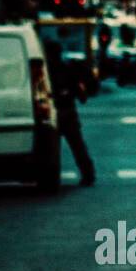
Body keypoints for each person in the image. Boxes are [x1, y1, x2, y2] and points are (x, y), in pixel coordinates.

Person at [44, 41, 95, 186]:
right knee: (77, 146)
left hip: (53, 112)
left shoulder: (46, 71)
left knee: (53, 148)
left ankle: (52, 177)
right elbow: (81, 93)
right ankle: (88, 174)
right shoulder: (67, 69)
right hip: (68, 112)